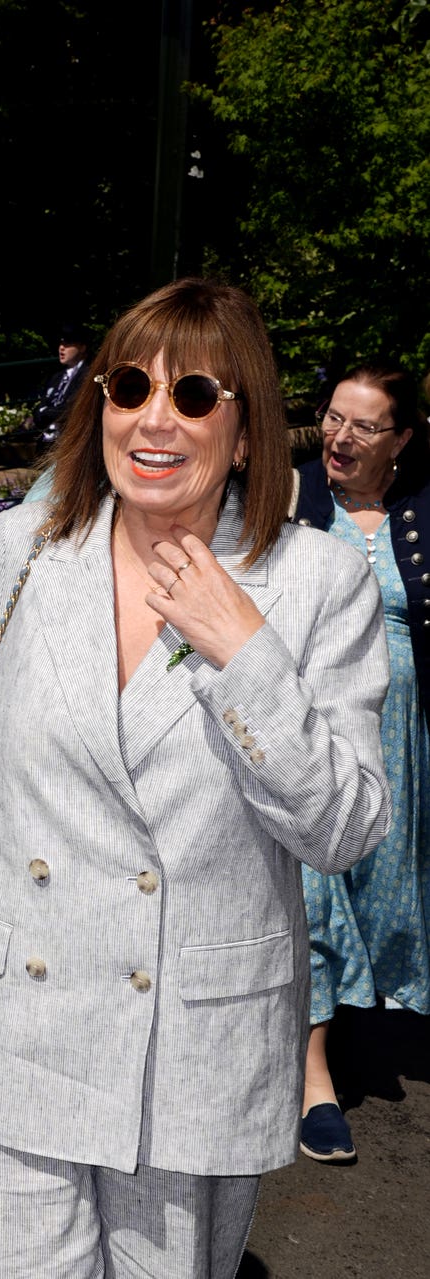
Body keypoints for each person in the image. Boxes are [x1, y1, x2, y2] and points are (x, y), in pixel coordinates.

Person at [0, 278, 392, 1278]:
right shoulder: (28, 550)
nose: (151, 419)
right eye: (128, 385)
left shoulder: (315, 583)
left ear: (249, 428)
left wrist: (243, 652)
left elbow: (344, 828)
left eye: (191, 397)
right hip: (16, 1026)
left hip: (190, 1054)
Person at [292, 364, 430, 1163]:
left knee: (376, 896)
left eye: (363, 426)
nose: (339, 437)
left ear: (400, 438)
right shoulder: (292, 495)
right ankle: (314, 1079)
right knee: (312, 887)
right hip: (308, 728)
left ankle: (344, 1018)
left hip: (401, 740)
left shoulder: (419, 511)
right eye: (332, 418)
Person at [30, 321, 91, 442]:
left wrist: (47, 413)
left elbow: (72, 409)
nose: (61, 347)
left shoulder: (88, 375)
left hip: (68, 441)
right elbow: (40, 408)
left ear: (82, 347)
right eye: (61, 343)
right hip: (46, 442)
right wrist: (43, 413)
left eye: (68, 343)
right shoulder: (56, 377)